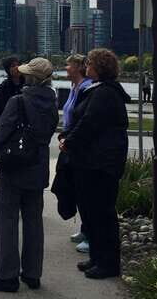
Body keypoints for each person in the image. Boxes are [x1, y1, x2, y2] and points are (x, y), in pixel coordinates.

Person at [0, 58, 59, 293]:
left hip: (14, 168)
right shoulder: (52, 102)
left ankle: (8, 275)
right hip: (38, 166)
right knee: (34, 221)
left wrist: (3, 155)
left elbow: (0, 134)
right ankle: (33, 273)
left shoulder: (18, 101)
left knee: (8, 221)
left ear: (30, 78)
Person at [59, 48, 129, 280]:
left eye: (89, 63)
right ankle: (98, 257)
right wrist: (68, 137)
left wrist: (69, 142)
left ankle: (108, 263)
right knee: (91, 212)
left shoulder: (105, 93)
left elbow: (90, 122)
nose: (86, 67)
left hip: (101, 164)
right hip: (93, 161)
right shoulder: (101, 90)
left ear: (99, 67)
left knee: (102, 213)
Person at [62, 54, 93, 254]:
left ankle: (91, 235)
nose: (65, 67)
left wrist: (70, 138)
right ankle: (85, 229)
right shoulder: (75, 87)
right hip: (70, 143)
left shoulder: (86, 88)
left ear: (78, 67)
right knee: (79, 190)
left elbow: (83, 119)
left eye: (68, 64)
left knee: (87, 193)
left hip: (79, 146)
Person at [0, 56, 23, 124]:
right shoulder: (2, 88)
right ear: (7, 69)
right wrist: (0, 124)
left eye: (18, 65)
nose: (17, 67)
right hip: (7, 125)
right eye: (13, 66)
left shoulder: (29, 86)